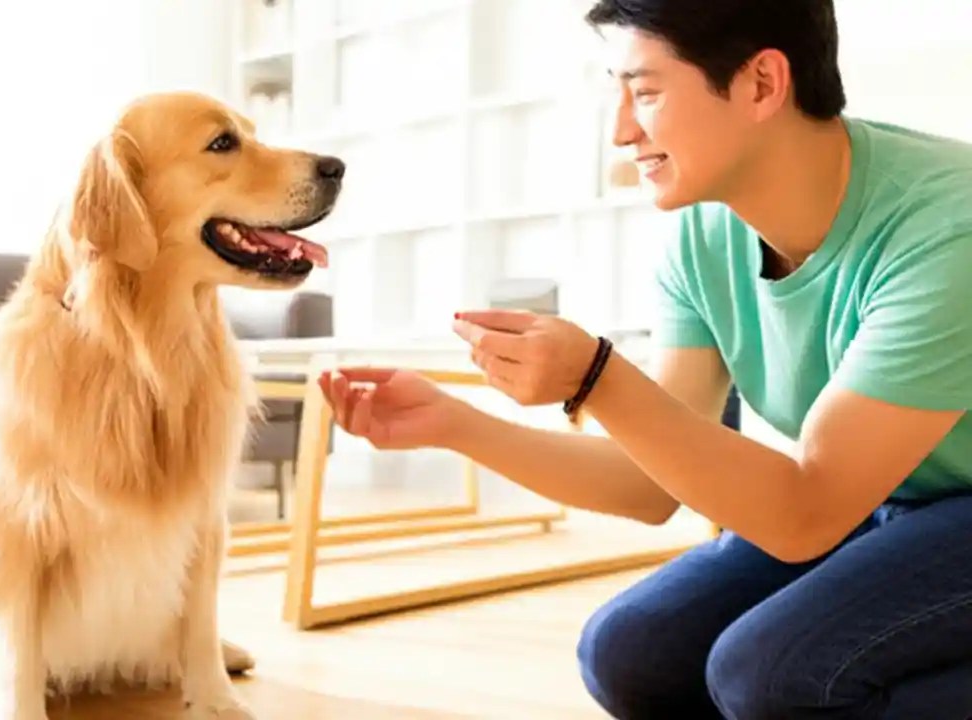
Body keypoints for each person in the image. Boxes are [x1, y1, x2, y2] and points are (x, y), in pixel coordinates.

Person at [317, 1, 972, 718]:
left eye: (647, 91)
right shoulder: (703, 234)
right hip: (887, 502)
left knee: (770, 674)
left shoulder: (948, 228)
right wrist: (455, 425)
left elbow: (806, 512)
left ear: (761, 83)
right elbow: (650, 485)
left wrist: (595, 377)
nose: (621, 132)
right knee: (632, 651)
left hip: (916, 506)